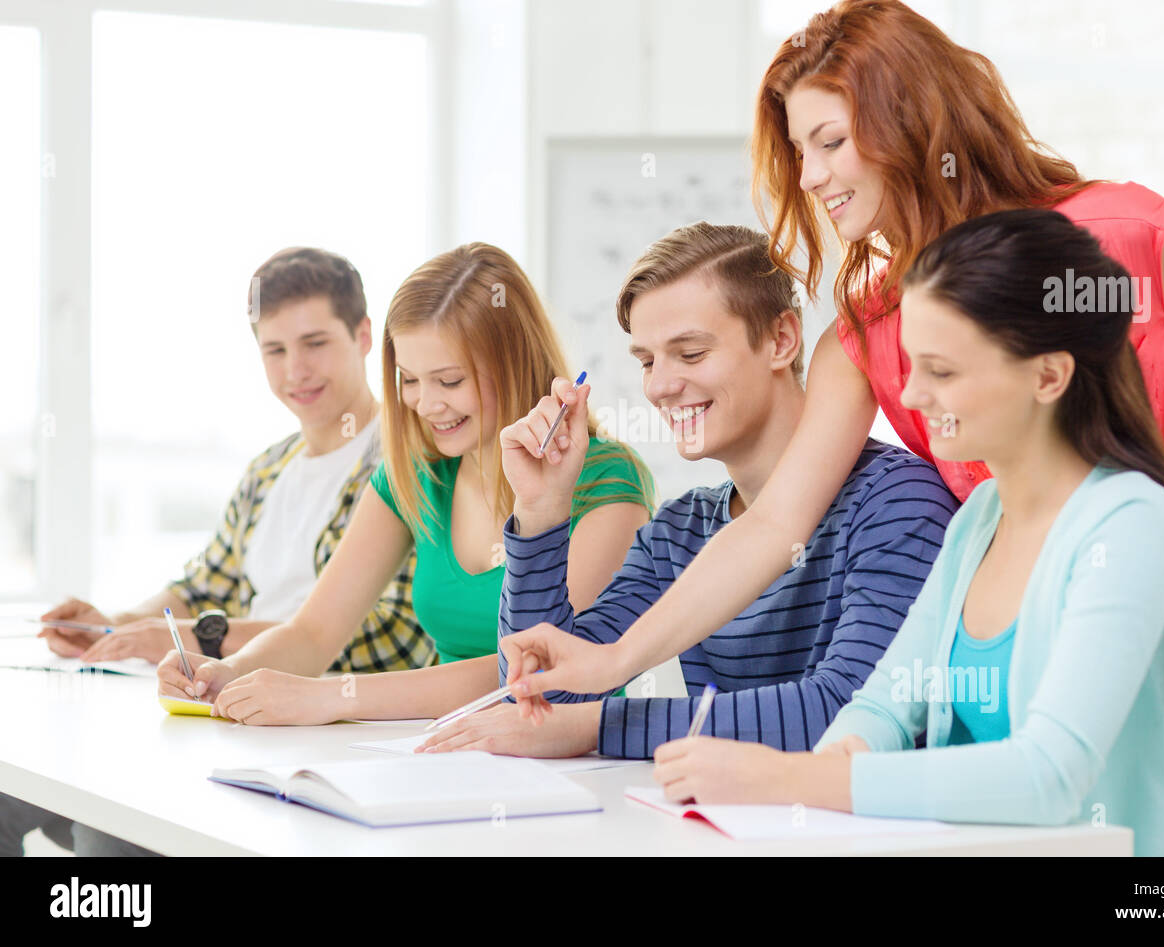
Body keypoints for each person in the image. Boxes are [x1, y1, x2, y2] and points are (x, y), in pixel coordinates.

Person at [499, 0, 1164, 715]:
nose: (810, 177)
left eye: (830, 142)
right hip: (1040, 648)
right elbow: (777, 521)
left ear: (912, 119)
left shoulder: (1126, 234)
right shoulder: (868, 328)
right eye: (799, 152)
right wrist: (615, 660)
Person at [650, 210, 1164, 857]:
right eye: (912, 365)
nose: (909, 394)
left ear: (1049, 376)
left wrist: (792, 777)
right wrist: (832, 764)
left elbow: (1048, 776)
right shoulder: (980, 518)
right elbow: (883, 705)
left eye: (941, 371)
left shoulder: (1134, 522)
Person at [419, 223, 956, 759]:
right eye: (648, 361)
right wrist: (541, 509)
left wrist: (599, 726)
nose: (658, 386)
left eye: (691, 354)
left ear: (781, 340)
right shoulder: (679, 532)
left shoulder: (899, 502)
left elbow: (847, 712)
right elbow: (548, 689)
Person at [5, 246, 430, 857]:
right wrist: (114, 625)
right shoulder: (269, 468)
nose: (295, 372)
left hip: (312, 727)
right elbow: (201, 587)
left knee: (110, 838)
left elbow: (380, 635)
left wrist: (201, 641)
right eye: (274, 351)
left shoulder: (403, 462)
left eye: (315, 343)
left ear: (364, 336)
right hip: (227, 700)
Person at [157, 243, 656, 726]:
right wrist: (225, 672)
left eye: (450, 381)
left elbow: (546, 669)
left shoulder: (606, 480)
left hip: (574, 758)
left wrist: (329, 697)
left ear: (512, 360)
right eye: (410, 380)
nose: (425, 403)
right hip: (446, 748)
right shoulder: (418, 477)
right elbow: (312, 633)